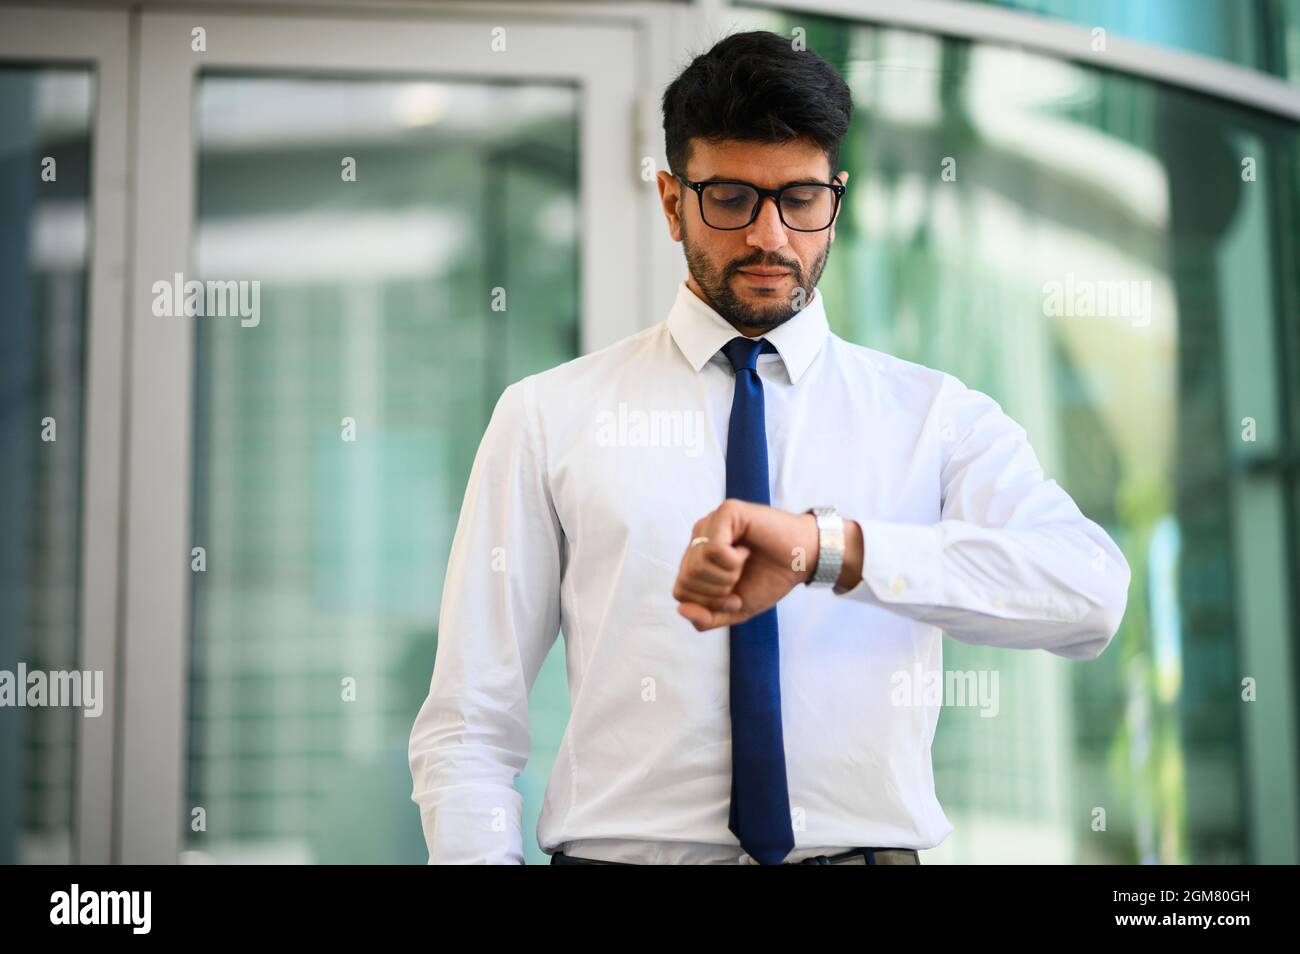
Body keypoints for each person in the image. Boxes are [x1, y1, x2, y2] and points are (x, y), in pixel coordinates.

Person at [407, 29, 1131, 866]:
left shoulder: (936, 417)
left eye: (799, 199)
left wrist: (832, 550)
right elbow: (468, 720)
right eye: (730, 199)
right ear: (672, 201)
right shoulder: (547, 417)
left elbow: (1089, 595)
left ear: (837, 198)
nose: (769, 237)